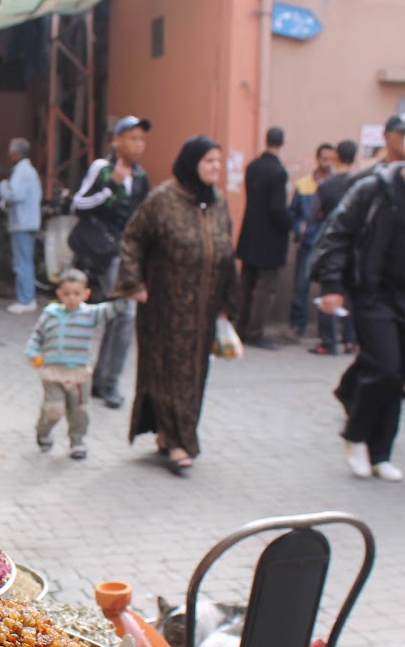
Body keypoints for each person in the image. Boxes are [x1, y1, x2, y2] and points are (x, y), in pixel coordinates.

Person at [116, 136, 237, 476]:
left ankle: (173, 436)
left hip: (204, 309)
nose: (216, 167)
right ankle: (178, 442)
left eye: (218, 161)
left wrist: (228, 301)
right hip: (163, 308)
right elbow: (132, 239)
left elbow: (227, 252)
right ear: (191, 163)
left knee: (194, 376)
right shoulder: (162, 200)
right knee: (168, 373)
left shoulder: (217, 203)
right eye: (209, 161)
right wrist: (134, 284)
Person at [312, 116, 405, 479]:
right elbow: (337, 234)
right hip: (372, 292)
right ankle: (355, 436)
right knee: (383, 365)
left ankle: (381, 452)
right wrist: (332, 285)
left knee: (397, 375)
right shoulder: (373, 188)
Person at [70, 116, 152, 408]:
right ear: (117, 140)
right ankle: (110, 383)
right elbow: (77, 204)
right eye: (132, 138)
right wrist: (109, 189)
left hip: (130, 255)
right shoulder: (102, 170)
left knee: (119, 314)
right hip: (107, 252)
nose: (138, 144)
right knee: (126, 313)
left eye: (142, 139)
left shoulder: (141, 177)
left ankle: (103, 379)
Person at [25, 268, 129, 460]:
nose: (71, 298)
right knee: (53, 408)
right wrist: (33, 353)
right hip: (53, 372)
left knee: (79, 411)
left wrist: (128, 295)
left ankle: (77, 441)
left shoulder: (90, 314)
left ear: (86, 294)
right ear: (59, 294)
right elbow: (36, 335)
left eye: (76, 294)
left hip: (79, 374)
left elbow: (113, 309)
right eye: (66, 294)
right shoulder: (50, 314)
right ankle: (43, 430)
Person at [236, 126, 290, 349]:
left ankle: (240, 327)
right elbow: (277, 208)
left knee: (246, 284)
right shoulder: (278, 172)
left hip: (250, 234)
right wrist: (289, 225)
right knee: (264, 288)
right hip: (269, 238)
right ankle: (255, 331)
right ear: (282, 143)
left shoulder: (253, 166)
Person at [311, 138, 359, 356]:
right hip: (355, 248)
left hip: (331, 246)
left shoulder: (327, 186)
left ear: (337, 156)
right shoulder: (361, 184)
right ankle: (351, 341)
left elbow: (314, 214)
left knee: (329, 291)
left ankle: (328, 341)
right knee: (349, 294)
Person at [288, 141, 336, 336]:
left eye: (330, 159)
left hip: (329, 245)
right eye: (324, 159)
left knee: (330, 288)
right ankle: (297, 325)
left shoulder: (336, 184)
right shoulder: (304, 184)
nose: (327, 163)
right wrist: (299, 229)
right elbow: (293, 212)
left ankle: (329, 333)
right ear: (317, 159)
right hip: (308, 242)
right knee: (301, 286)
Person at [0, 137, 43, 314]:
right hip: (28, 221)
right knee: (25, 261)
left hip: (22, 222)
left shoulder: (21, 171)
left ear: (15, 153)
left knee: (21, 262)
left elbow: (14, 194)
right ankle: (27, 297)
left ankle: (25, 299)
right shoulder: (28, 170)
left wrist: (2, 186)